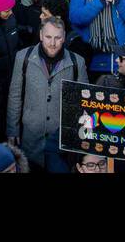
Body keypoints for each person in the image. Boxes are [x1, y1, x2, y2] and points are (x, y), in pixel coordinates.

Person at [6, 17, 87, 172]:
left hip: (60, 141)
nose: (52, 43)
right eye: (48, 37)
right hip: (30, 136)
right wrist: (12, 129)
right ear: (41, 35)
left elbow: (82, 103)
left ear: (63, 38)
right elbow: (15, 96)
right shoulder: (23, 57)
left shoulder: (78, 62)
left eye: (57, 38)